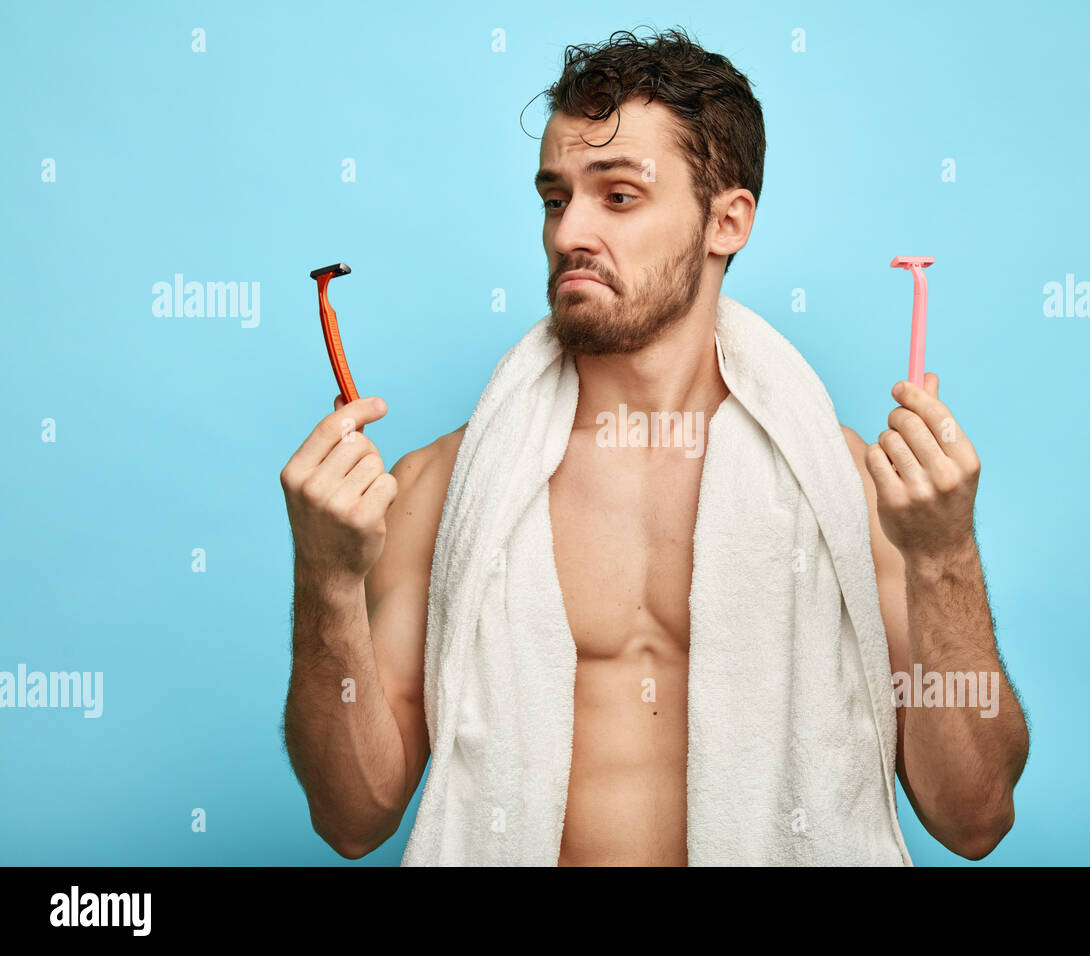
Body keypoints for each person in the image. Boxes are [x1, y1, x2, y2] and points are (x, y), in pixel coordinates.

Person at [280, 27, 1028, 866]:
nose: (569, 234)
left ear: (727, 221)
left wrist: (943, 555)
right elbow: (352, 819)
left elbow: (974, 819)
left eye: (620, 197)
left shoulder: (852, 493)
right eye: (556, 198)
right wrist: (326, 575)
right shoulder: (440, 490)